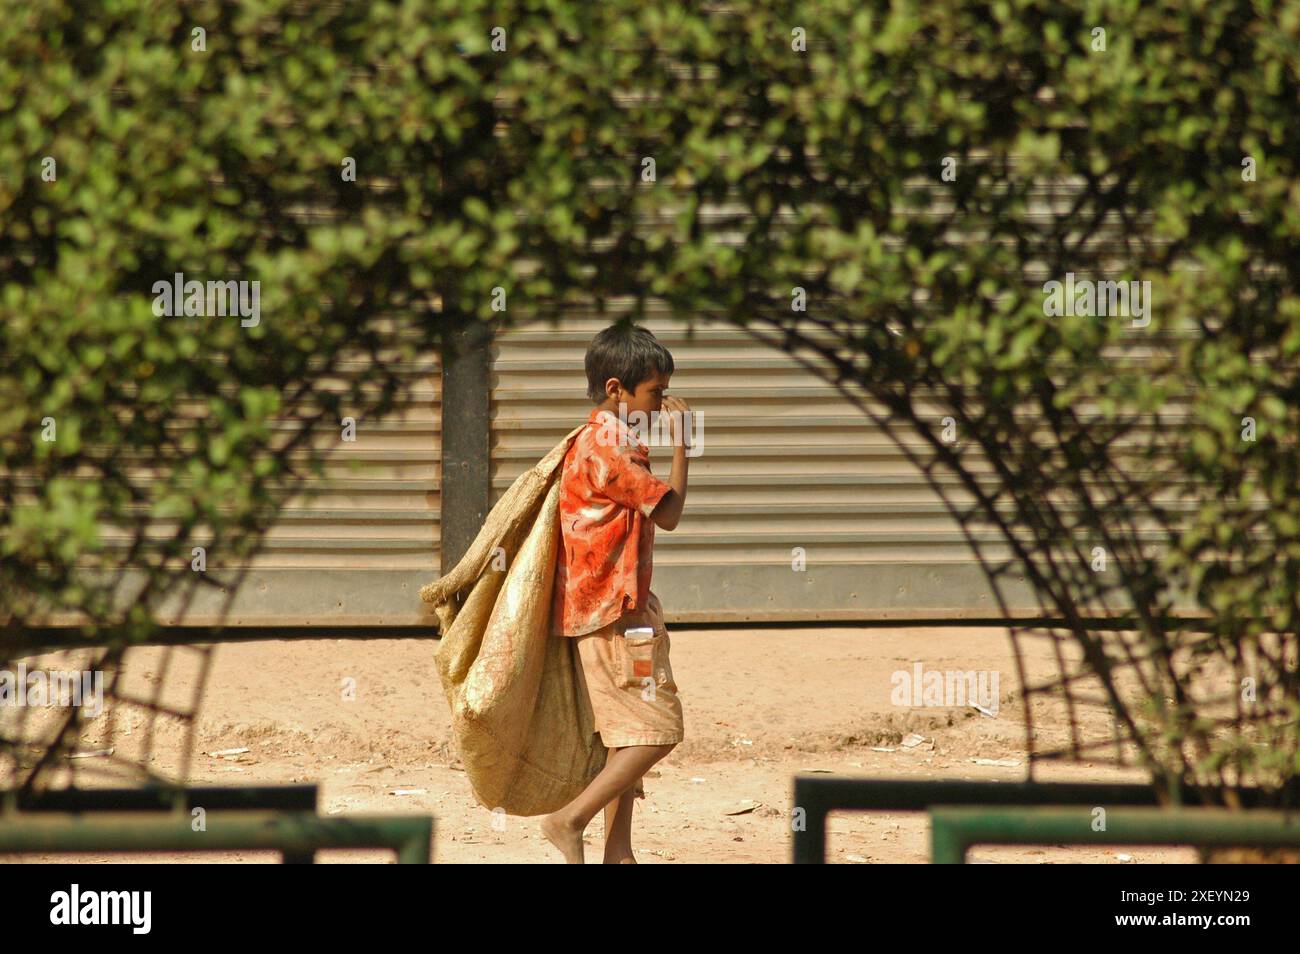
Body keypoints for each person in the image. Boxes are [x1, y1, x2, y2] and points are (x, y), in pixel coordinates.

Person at [540, 324, 692, 863]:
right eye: (654, 392)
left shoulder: (607, 441)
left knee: (627, 734)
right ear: (615, 389)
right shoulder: (609, 449)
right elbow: (669, 513)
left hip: (622, 608)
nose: (662, 403)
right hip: (615, 616)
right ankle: (569, 820)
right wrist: (684, 445)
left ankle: (618, 852)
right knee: (658, 731)